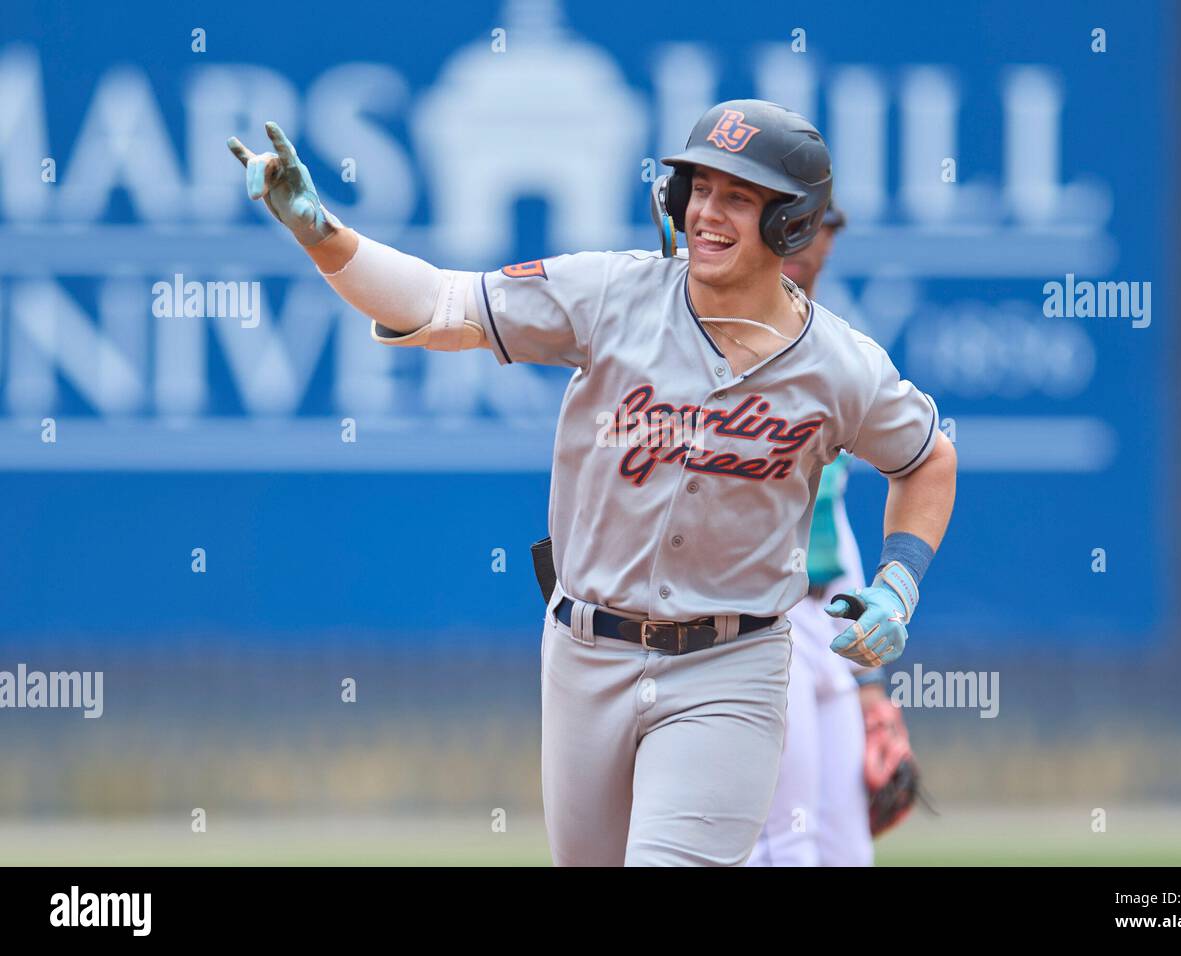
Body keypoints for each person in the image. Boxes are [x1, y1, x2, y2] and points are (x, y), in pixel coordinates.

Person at [226, 99, 957, 866]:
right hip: (585, 653)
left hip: (731, 666)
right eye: (699, 188)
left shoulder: (837, 365)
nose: (707, 211)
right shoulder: (610, 293)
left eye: (738, 197)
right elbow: (440, 304)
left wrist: (899, 582)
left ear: (791, 224)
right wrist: (324, 237)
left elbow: (927, 457)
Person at [749, 205, 918, 866]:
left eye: (813, 267)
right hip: (754, 616)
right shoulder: (706, 351)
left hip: (822, 617)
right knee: (785, 843)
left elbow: (831, 522)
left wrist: (871, 687)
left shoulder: (831, 352)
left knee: (845, 850)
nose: (801, 279)